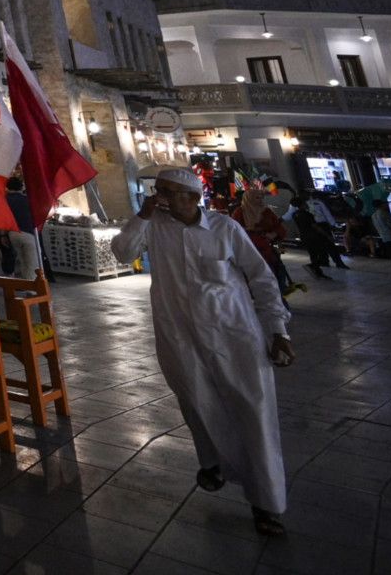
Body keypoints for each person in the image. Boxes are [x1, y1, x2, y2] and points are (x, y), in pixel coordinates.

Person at [110, 168, 293, 536]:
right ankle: (213, 462)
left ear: (193, 198)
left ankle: (268, 504)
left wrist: (277, 330)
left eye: (170, 192)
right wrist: (143, 214)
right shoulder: (155, 225)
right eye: (158, 190)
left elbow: (261, 277)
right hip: (179, 334)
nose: (160, 197)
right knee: (197, 402)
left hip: (234, 333)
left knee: (254, 412)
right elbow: (122, 252)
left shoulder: (225, 229)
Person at [232, 187, 299, 296]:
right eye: (256, 197)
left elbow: (278, 227)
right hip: (250, 250)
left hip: (269, 248)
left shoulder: (266, 211)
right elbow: (234, 231)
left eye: (261, 197)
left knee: (276, 271)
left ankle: (278, 294)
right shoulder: (239, 212)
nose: (260, 200)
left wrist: (274, 234)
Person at [2, 176, 42, 280]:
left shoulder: (5, 200)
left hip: (13, 233)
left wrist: (3, 235)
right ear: (21, 187)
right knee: (32, 262)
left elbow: (4, 220)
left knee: (22, 260)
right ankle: (33, 288)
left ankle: (25, 283)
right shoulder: (27, 200)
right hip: (27, 233)